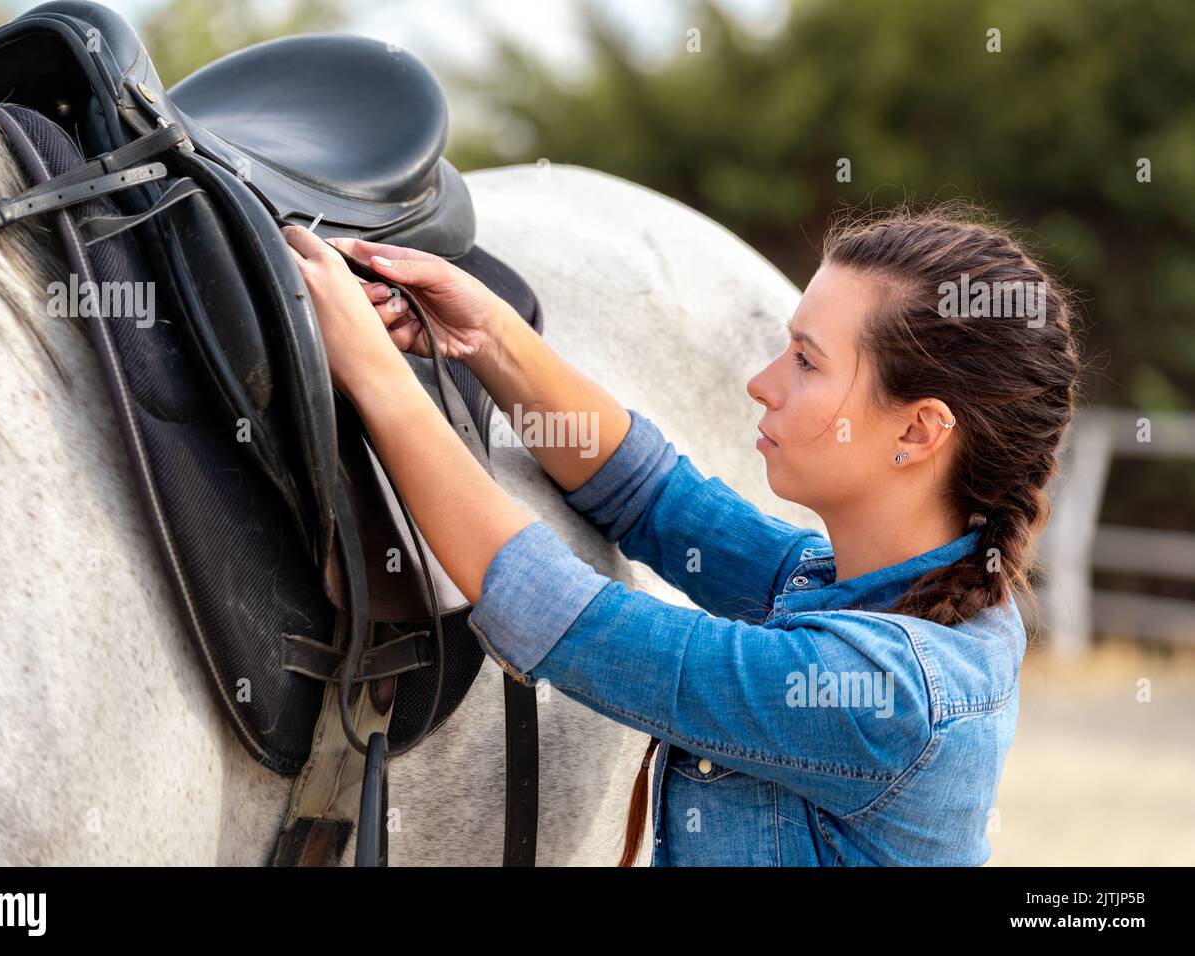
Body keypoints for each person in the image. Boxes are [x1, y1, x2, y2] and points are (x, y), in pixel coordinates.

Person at [280, 201, 1082, 866]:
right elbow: (652, 497)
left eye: (806, 362)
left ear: (918, 432)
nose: (761, 382)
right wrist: (485, 332)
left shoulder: (883, 694)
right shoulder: (887, 591)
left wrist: (370, 371)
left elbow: (564, 618)